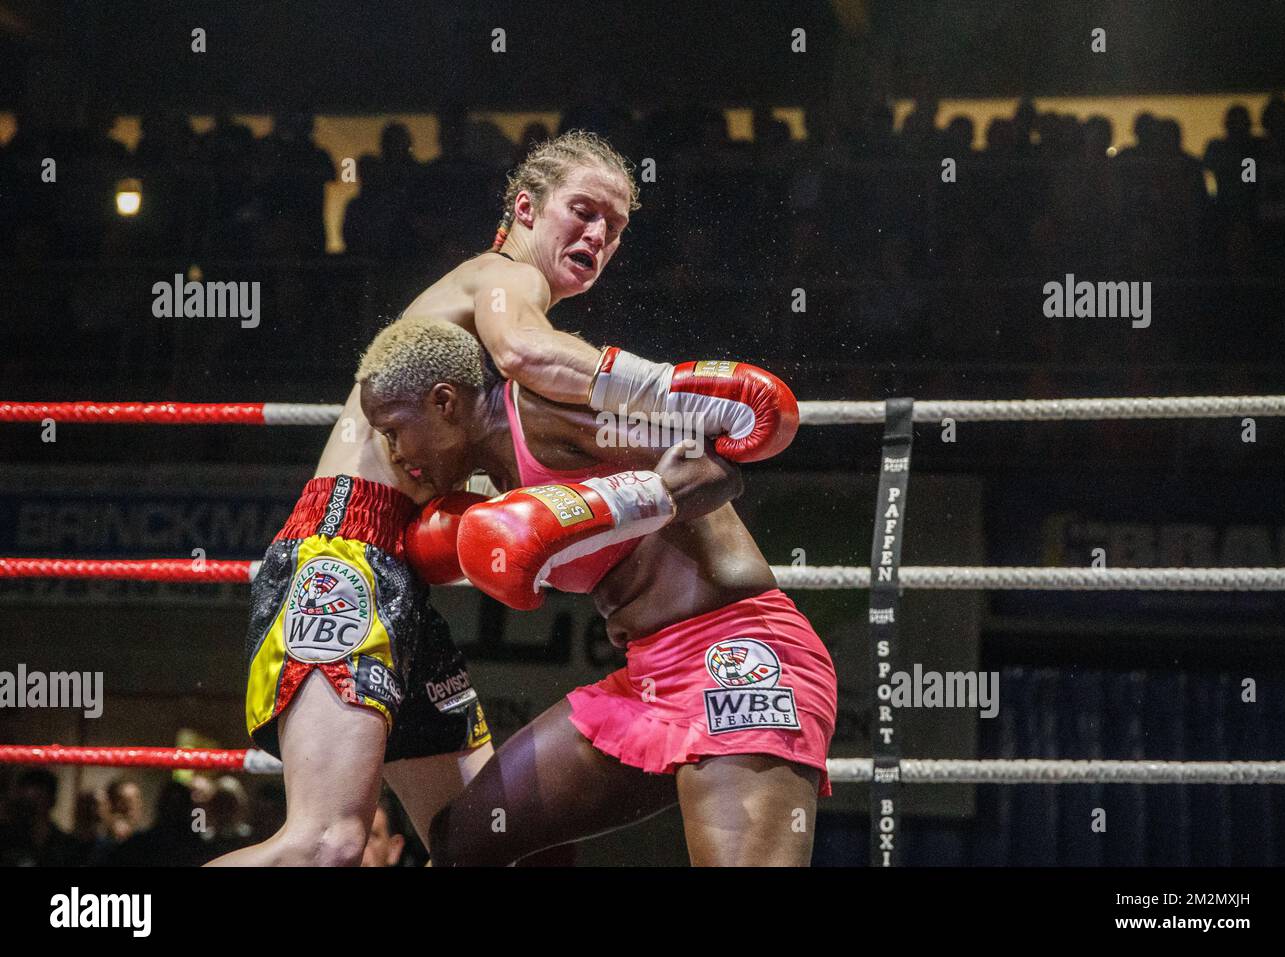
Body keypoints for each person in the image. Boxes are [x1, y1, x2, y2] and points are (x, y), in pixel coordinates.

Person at [211, 130, 793, 866]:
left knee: (491, 847)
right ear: (525, 207)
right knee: (325, 844)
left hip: (405, 574)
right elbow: (525, 348)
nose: (597, 235)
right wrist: (678, 392)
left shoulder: (510, 385)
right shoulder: (503, 278)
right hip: (346, 552)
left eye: (613, 229)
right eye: (582, 212)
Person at [357, 316, 831, 866]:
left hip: (739, 653)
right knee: (466, 839)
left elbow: (712, 470)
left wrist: (595, 506)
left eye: (394, 430)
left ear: (444, 403)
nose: (395, 454)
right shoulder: (493, 485)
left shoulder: (539, 414)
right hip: (647, 678)